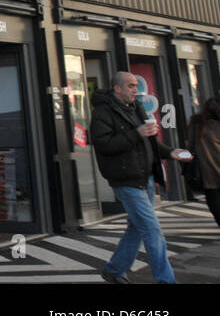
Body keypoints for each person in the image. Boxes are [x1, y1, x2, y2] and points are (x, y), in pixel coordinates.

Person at [89, 70, 190, 283]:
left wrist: (171, 152)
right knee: (152, 231)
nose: (136, 90)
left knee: (136, 228)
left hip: (146, 178)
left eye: (136, 85)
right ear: (117, 88)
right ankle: (166, 280)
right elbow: (104, 145)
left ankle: (114, 270)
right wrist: (137, 133)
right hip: (126, 181)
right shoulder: (103, 113)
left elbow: (148, 141)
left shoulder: (136, 107)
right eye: (131, 86)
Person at [185, 96, 220, 228]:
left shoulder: (196, 125)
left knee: (215, 206)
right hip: (213, 173)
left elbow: (190, 147)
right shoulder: (215, 127)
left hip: (206, 176)